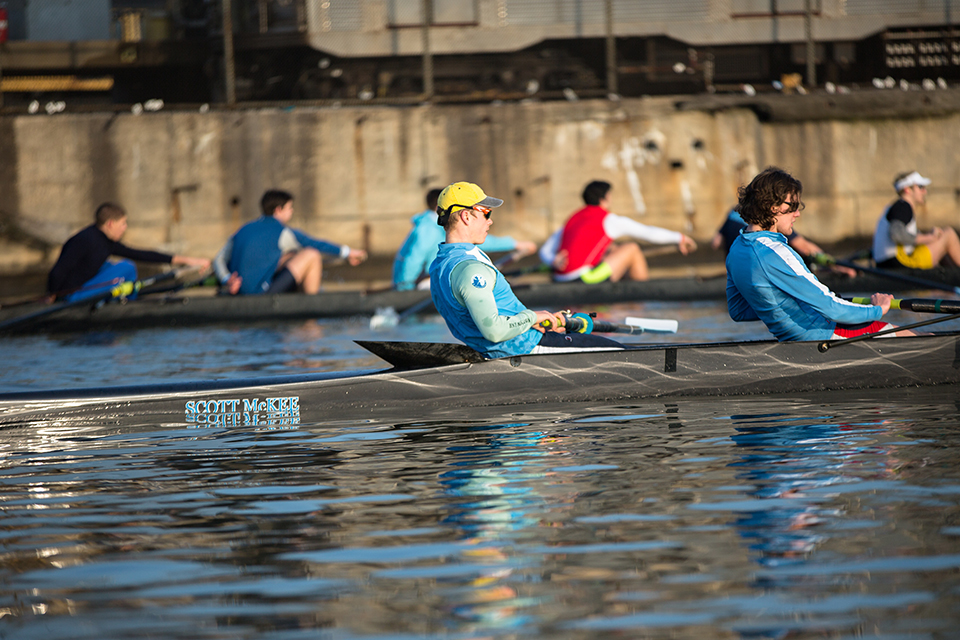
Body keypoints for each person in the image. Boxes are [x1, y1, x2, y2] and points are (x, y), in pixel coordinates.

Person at [429, 181, 624, 358]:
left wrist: (531, 322)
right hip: (525, 349)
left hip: (508, 346)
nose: (490, 220)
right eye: (486, 213)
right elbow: (494, 331)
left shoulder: (439, 265)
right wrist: (532, 317)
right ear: (466, 216)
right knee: (620, 352)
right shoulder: (471, 270)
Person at [726, 167, 913, 341]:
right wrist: (878, 309)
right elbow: (831, 307)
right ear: (773, 207)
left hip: (794, 338)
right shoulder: (776, 252)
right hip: (822, 335)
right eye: (793, 206)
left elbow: (737, 311)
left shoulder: (736, 249)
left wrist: (786, 306)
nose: (797, 214)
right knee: (915, 335)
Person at [539, 180, 697, 283]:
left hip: (559, 278)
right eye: (610, 196)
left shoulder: (572, 219)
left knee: (612, 249)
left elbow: (544, 251)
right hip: (586, 278)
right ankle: (642, 294)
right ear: (604, 199)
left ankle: (627, 286)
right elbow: (649, 233)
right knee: (632, 248)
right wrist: (680, 237)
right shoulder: (608, 219)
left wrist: (553, 260)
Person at [214, 189, 367, 295]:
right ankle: (311, 308)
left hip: (237, 290)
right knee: (311, 255)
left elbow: (218, 260)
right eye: (289, 208)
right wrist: (349, 253)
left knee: (291, 255)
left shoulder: (242, 230)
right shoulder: (282, 232)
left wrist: (227, 279)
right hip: (260, 293)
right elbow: (315, 244)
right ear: (278, 210)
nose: (292, 211)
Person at [47, 202, 210, 302]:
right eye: (123, 224)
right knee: (127, 267)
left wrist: (189, 260)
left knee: (110, 265)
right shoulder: (85, 240)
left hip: (82, 288)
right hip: (73, 296)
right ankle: (128, 302)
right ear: (110, 223)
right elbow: (58, 271)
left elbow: (142, 254)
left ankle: (125, 299)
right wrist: (51, 295)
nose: (125, 228)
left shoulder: (106, 241)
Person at [392, 188, 537, 291]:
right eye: (485, 213)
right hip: (417, 282)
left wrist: (514, 244)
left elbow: (475, 237)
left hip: (429, 277)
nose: (489, 220)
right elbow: (412, 260)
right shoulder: (427, 230)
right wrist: (405, 289)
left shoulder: (436, 224)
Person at [712, 208, 857, 277]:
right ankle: (834, 268)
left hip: (735, 269)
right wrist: (836, 264)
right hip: (764, 270)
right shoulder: (768, 219)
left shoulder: (733, 211)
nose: (796, 213)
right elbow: (804, 247)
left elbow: (715, 243)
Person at [872, 170, 960, 269]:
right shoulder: (904, 206)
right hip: (900, 263)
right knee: (949, 234)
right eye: (920, 187)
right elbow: (896, 234)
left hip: (888, 263)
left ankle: (951, 276)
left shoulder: (896, 207)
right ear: (907, 190)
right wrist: (929, 238)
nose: (925, 191)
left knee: (940, 238)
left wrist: (928, 236)